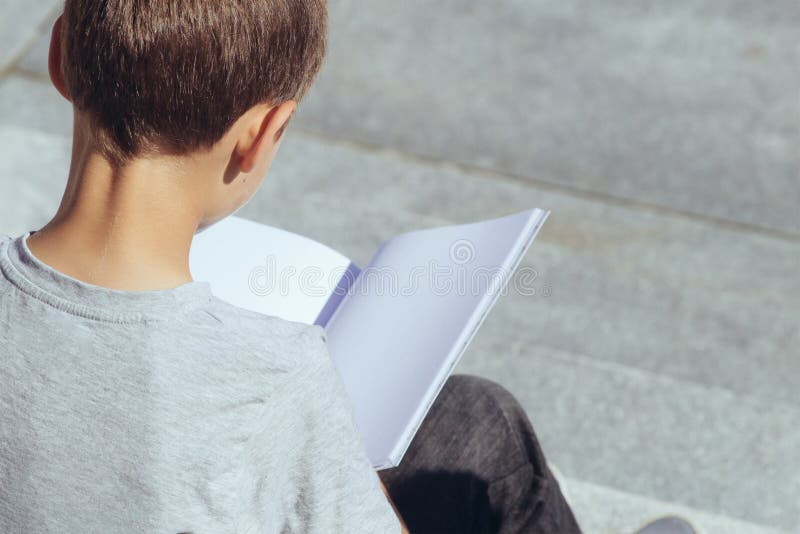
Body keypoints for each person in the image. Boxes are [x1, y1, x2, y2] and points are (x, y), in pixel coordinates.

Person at [0, 1, 695, 533]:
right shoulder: (275, 379)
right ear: (259, 138)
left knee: (472, 411)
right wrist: (332, 465)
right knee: (486, 434)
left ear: (59, 57)